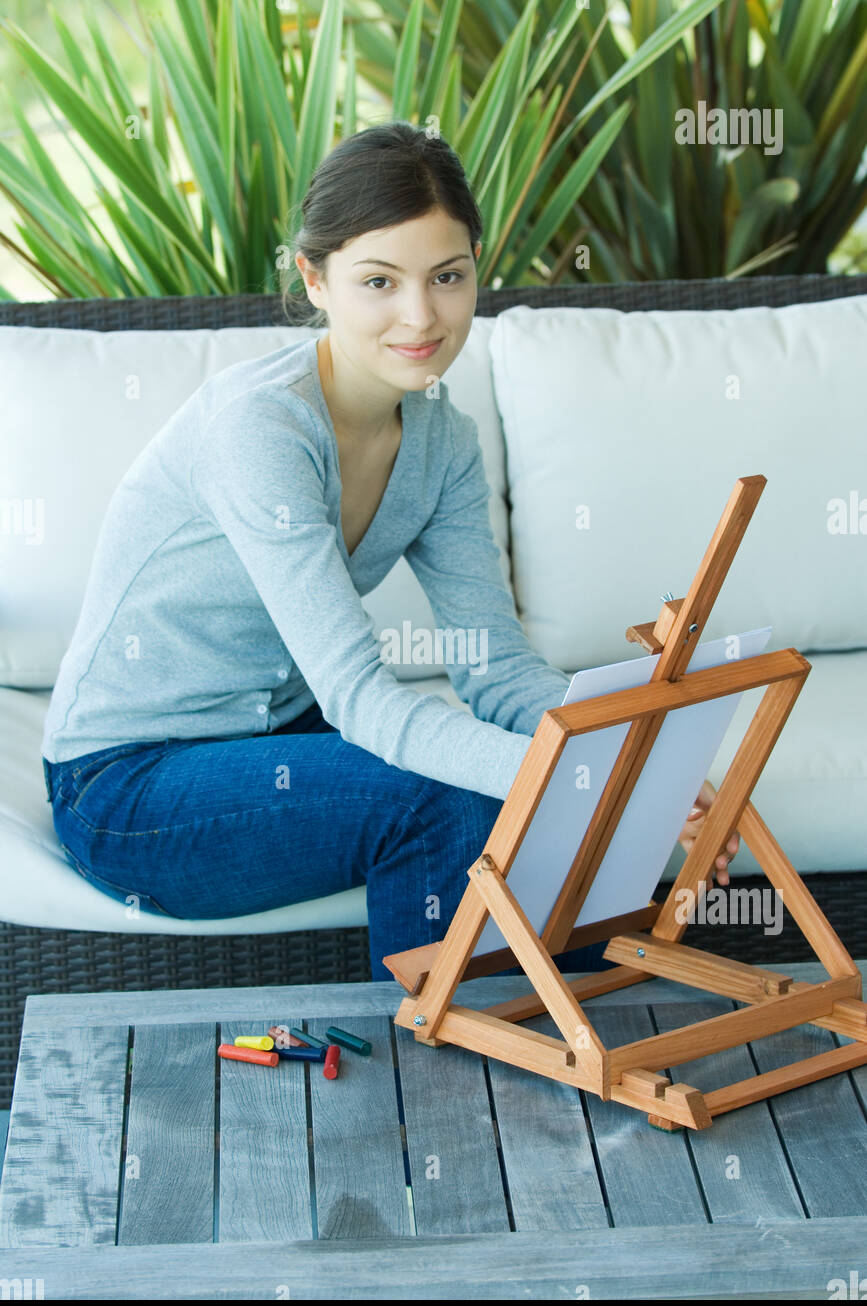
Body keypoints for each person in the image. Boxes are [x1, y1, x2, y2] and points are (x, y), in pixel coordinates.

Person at [40, 121, 738, 981]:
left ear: (476, 265)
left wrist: (628, 757)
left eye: (447, 277)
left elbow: (495, 672)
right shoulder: (258, 430)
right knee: (441, 794)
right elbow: (360, 700)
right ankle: (446, 1078)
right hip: (127, 784)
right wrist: (574, 775)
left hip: (274, 737)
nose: (421, 316)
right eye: (379, 281)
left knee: (514, 793)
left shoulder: (442, 444)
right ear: (315, 278)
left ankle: (585, 1032)